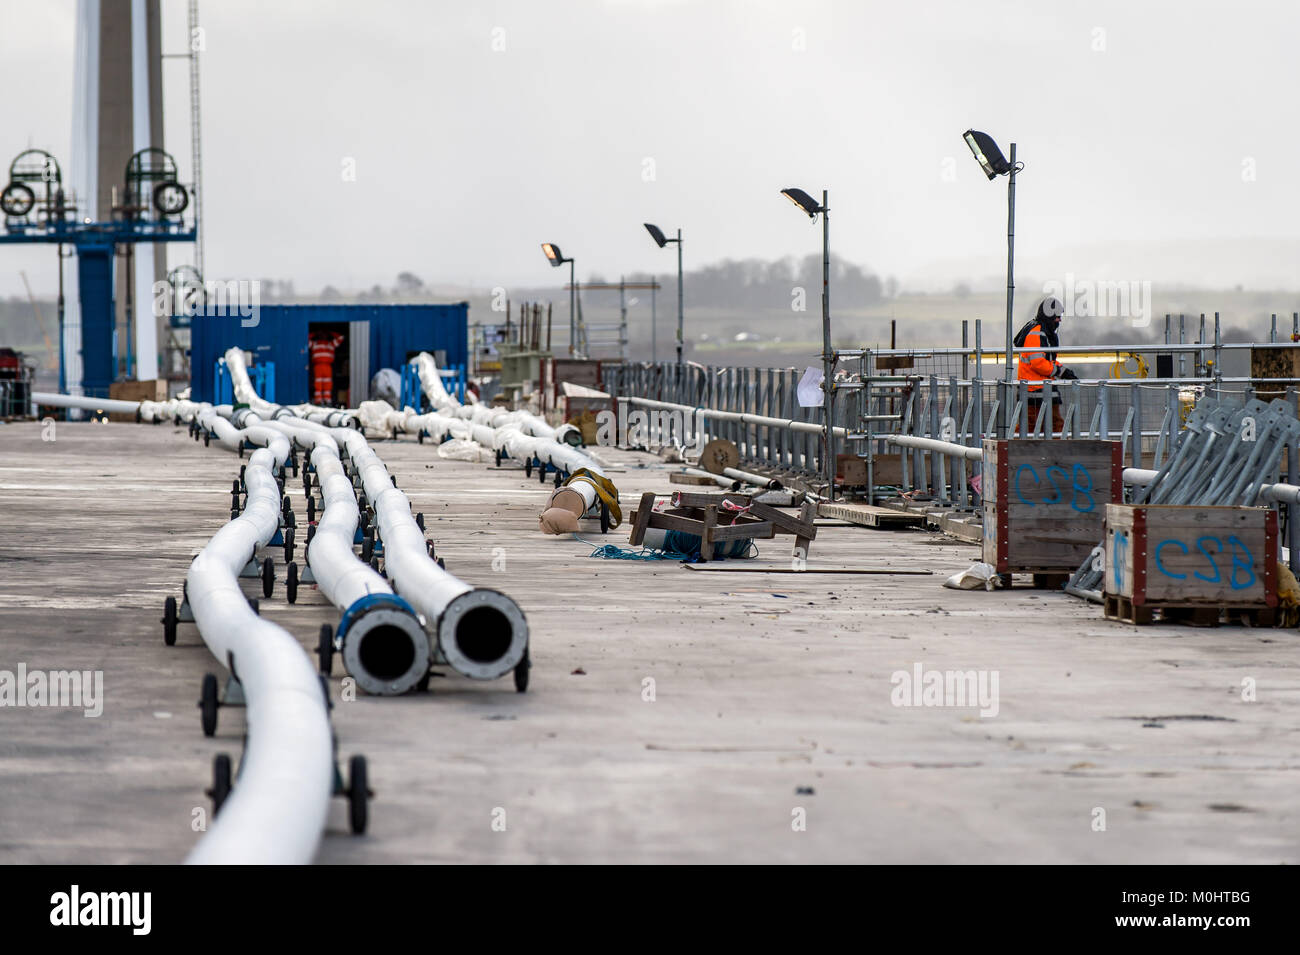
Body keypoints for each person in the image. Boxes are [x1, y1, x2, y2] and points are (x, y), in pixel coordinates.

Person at [1015, 296, 1076, 434]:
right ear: (1050, 316)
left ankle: (1018, 452)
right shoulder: (1037, 332)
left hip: (1038, 389)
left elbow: (1047, 360)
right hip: (1036, 389)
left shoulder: (1040, 331)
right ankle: (1057, 453)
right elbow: (1038, 363)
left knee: (1033, 427)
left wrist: (1064, 371)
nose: (1059, 320)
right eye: (1057, 316)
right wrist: (1060, 372)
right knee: (1049, 426)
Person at [309, 330, 344, 405]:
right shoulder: (315, 344)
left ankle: (327, 401)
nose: (323, 336)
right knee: (318, 383)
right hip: (318, 366)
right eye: (321, 335)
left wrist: (330, 332)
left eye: (324, 335)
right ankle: (318, 401)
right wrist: (315, 333)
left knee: (328, 383)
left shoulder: (330, 344)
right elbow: (305, 339)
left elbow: (341, 338)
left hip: (327, 366)